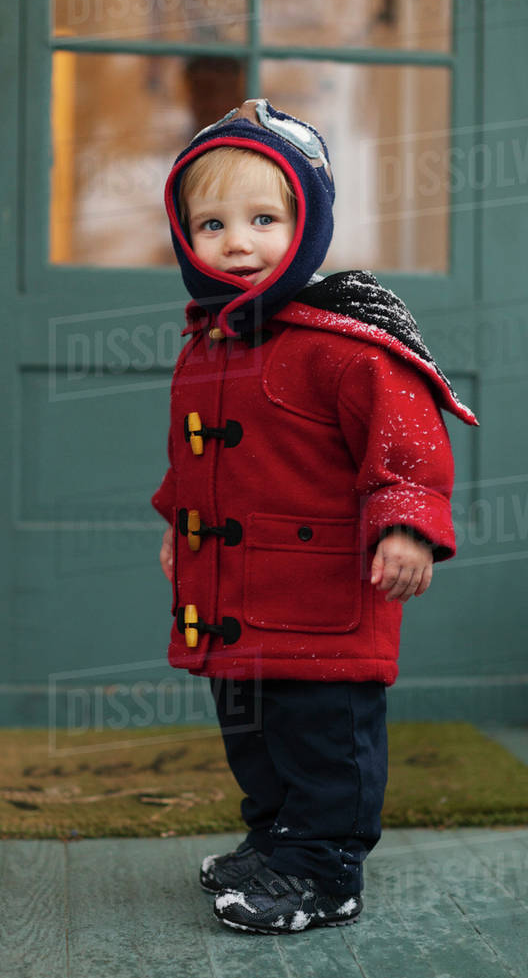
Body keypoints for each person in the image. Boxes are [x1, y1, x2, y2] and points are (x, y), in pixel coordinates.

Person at [151, 99, 478, 935]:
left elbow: (405, 448)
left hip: (327, 594)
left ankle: (325, 866)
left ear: (308, 223)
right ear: (186, 237)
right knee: (253, 732)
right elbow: (195, 461)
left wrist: (406, 524)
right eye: (212, 222)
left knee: (323, 737)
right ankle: (274, 839)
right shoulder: (209, 345)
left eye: (265, 218)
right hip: (234, 594)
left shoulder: (349, 344)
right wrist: (179, 526)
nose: (238, 240)